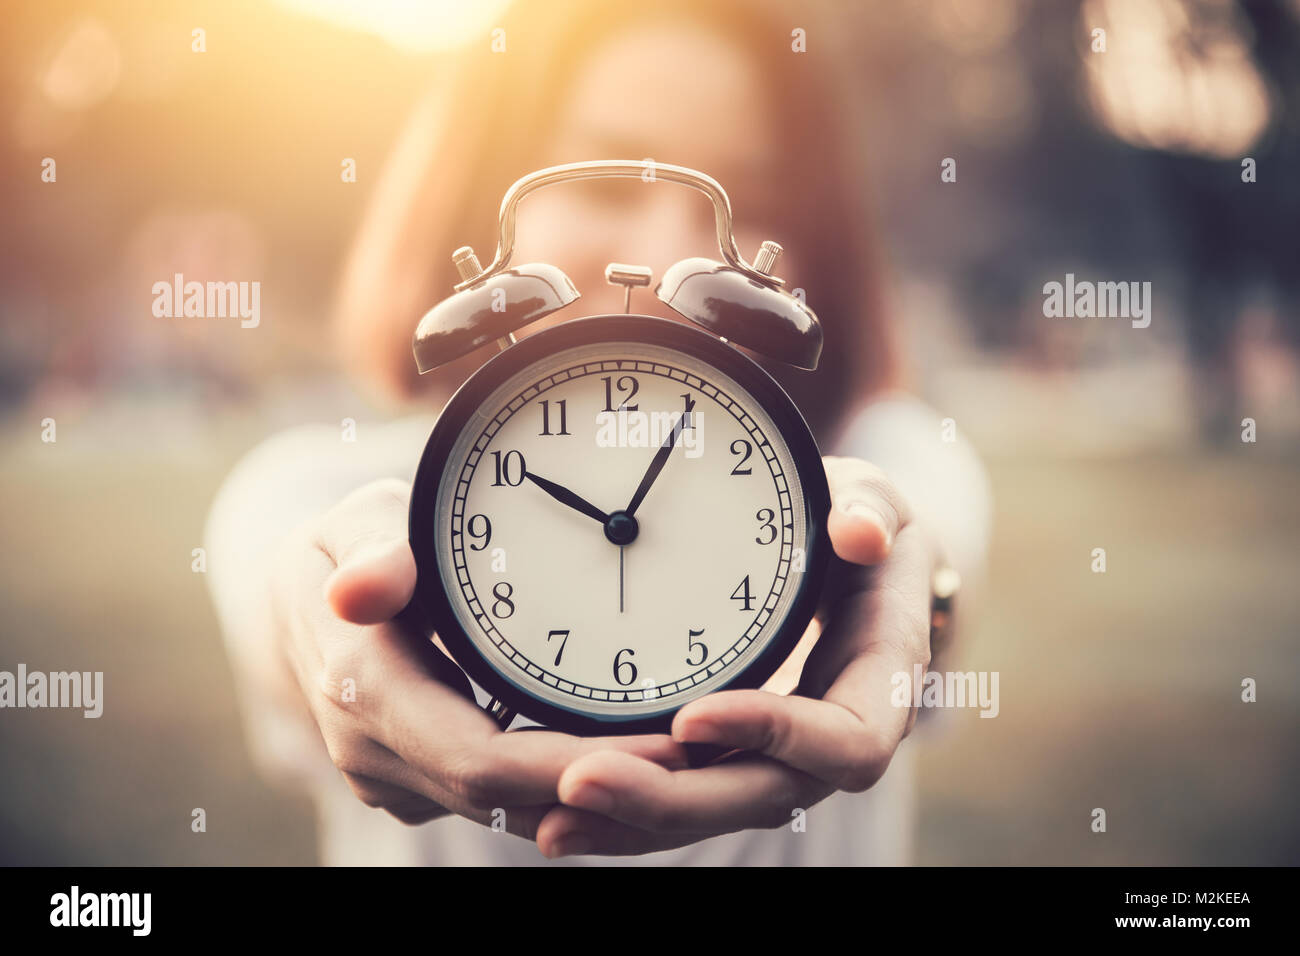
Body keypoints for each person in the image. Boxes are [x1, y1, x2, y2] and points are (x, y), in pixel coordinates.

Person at [205, 0, 991, 865]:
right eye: (606, 180)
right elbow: (294, 602)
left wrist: (915, 608)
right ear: (480, 197)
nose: (661, 262)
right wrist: (332, 636)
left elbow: (932, 554)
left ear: (812, 243)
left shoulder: (886, 455)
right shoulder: (306, 492)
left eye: (752, 201)